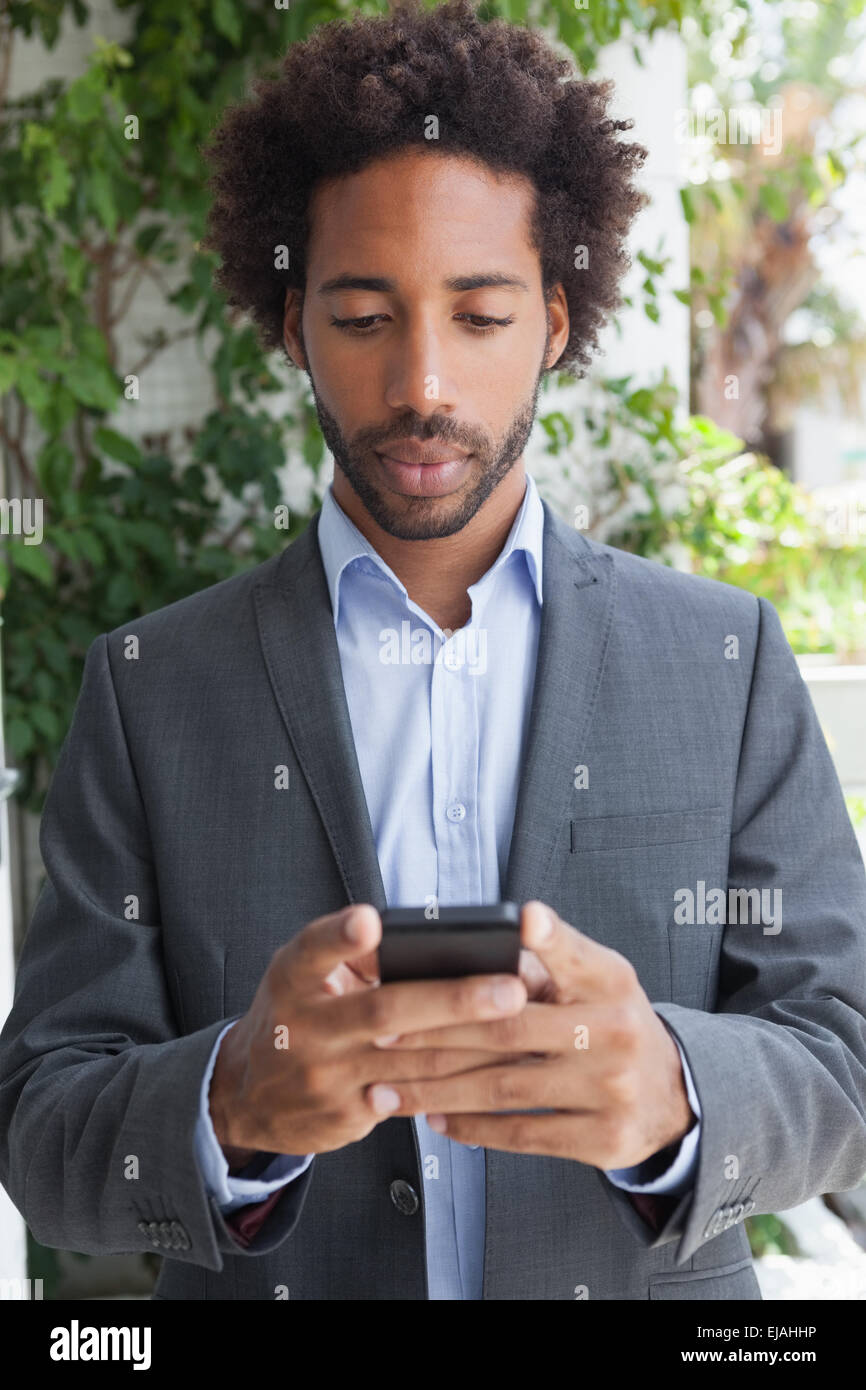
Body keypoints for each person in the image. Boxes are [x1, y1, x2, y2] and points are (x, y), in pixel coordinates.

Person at [1, 0, 865, 1301]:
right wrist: (228, 1096)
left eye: (478, 314)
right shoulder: (149, 692)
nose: (424, 386)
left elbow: (843, 1063)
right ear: (291, 325)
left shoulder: (724, 660)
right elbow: (44, 1133)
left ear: (558, 322)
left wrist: (676, 1095)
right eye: (361, 318)